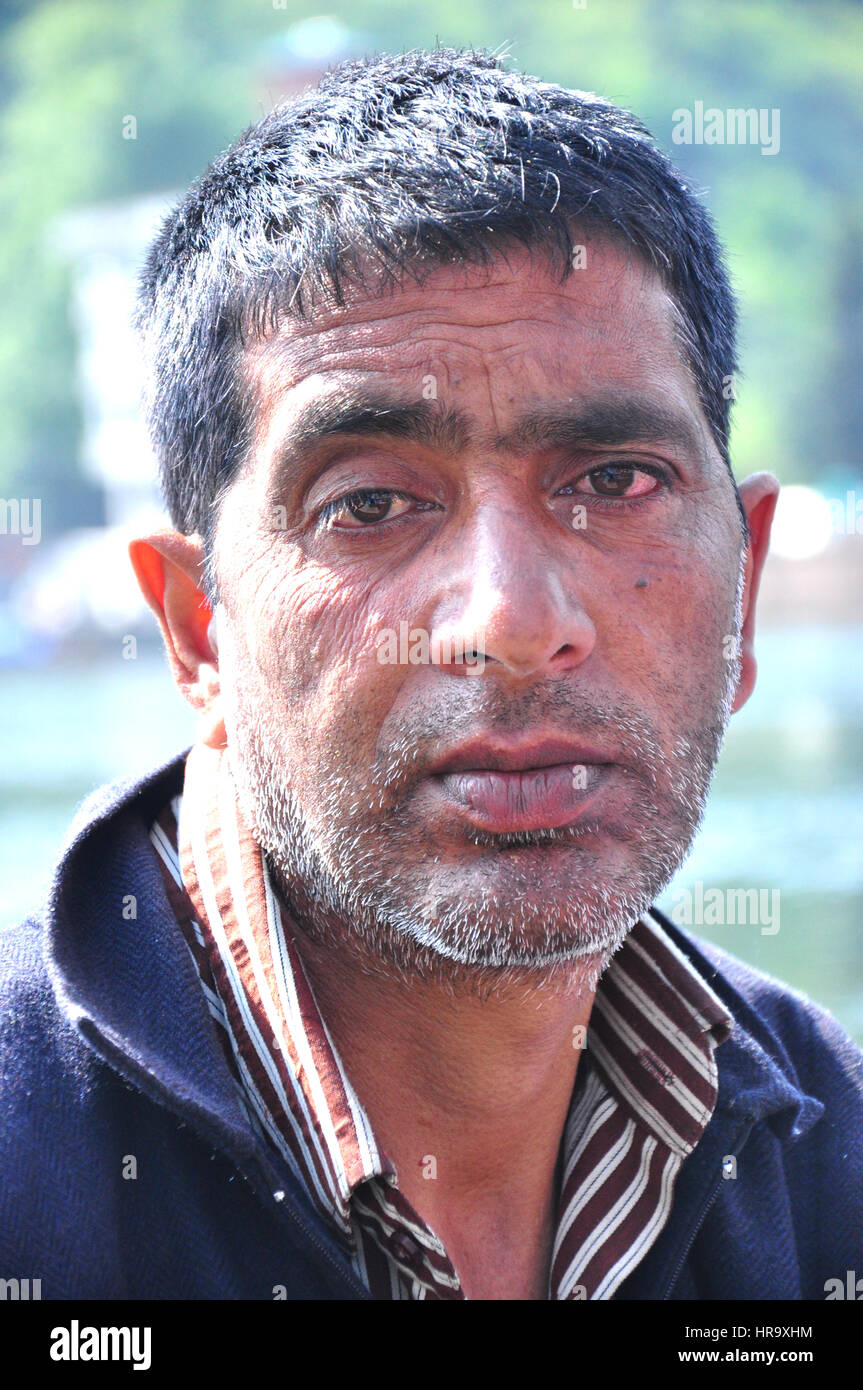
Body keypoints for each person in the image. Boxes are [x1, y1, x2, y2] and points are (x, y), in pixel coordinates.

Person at [2, 45, 861, 1301]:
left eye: (612, 481)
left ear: (741, 588)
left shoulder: (821, 1153)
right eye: (369, 504)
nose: (512, 621)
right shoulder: (36, 1185)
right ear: (198, 630)